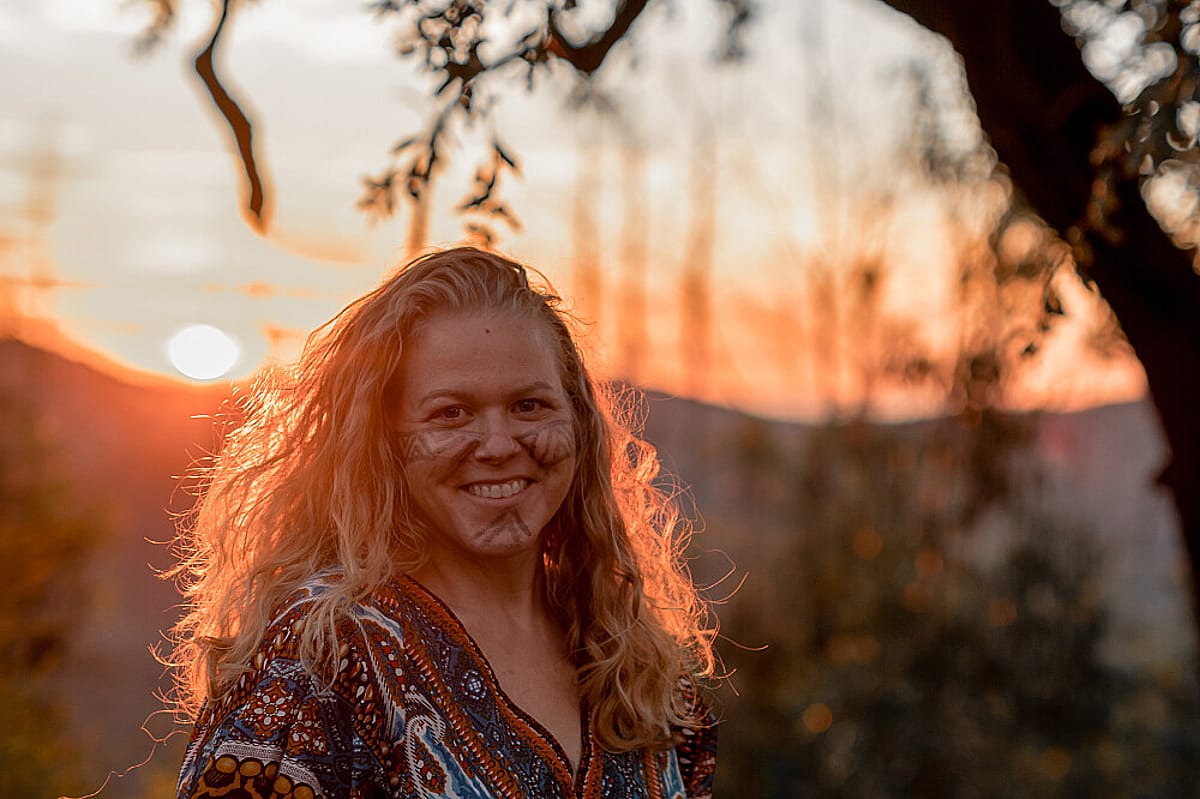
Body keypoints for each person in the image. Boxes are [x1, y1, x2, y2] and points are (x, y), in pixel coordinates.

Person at [169, 246, 719, 799]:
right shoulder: (322, 658)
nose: (501, 445)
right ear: (382, 443)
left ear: (578, 422)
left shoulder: (634, 663)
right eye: (451, 412)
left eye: (529, 405)